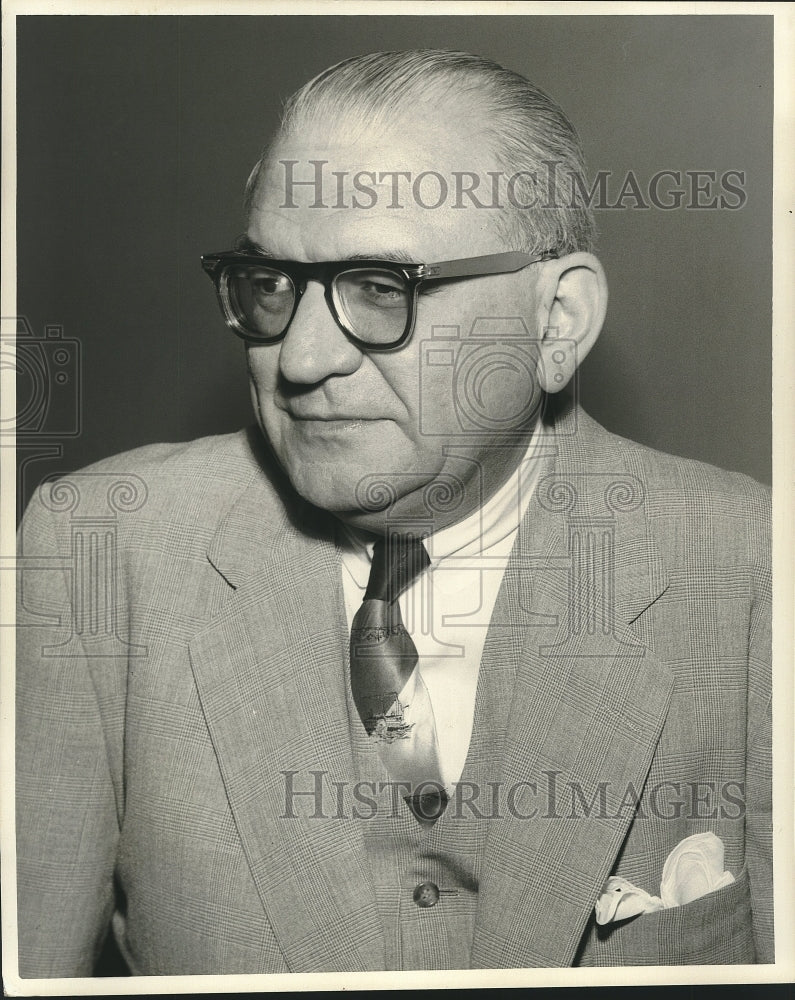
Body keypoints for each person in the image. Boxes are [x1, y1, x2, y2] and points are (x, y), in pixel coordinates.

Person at [16, 49, 772, 975]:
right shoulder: (101, 548)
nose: (298, 360)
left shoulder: (752, 576)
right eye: (270, 283)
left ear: (556, 321)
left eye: (382, 288)